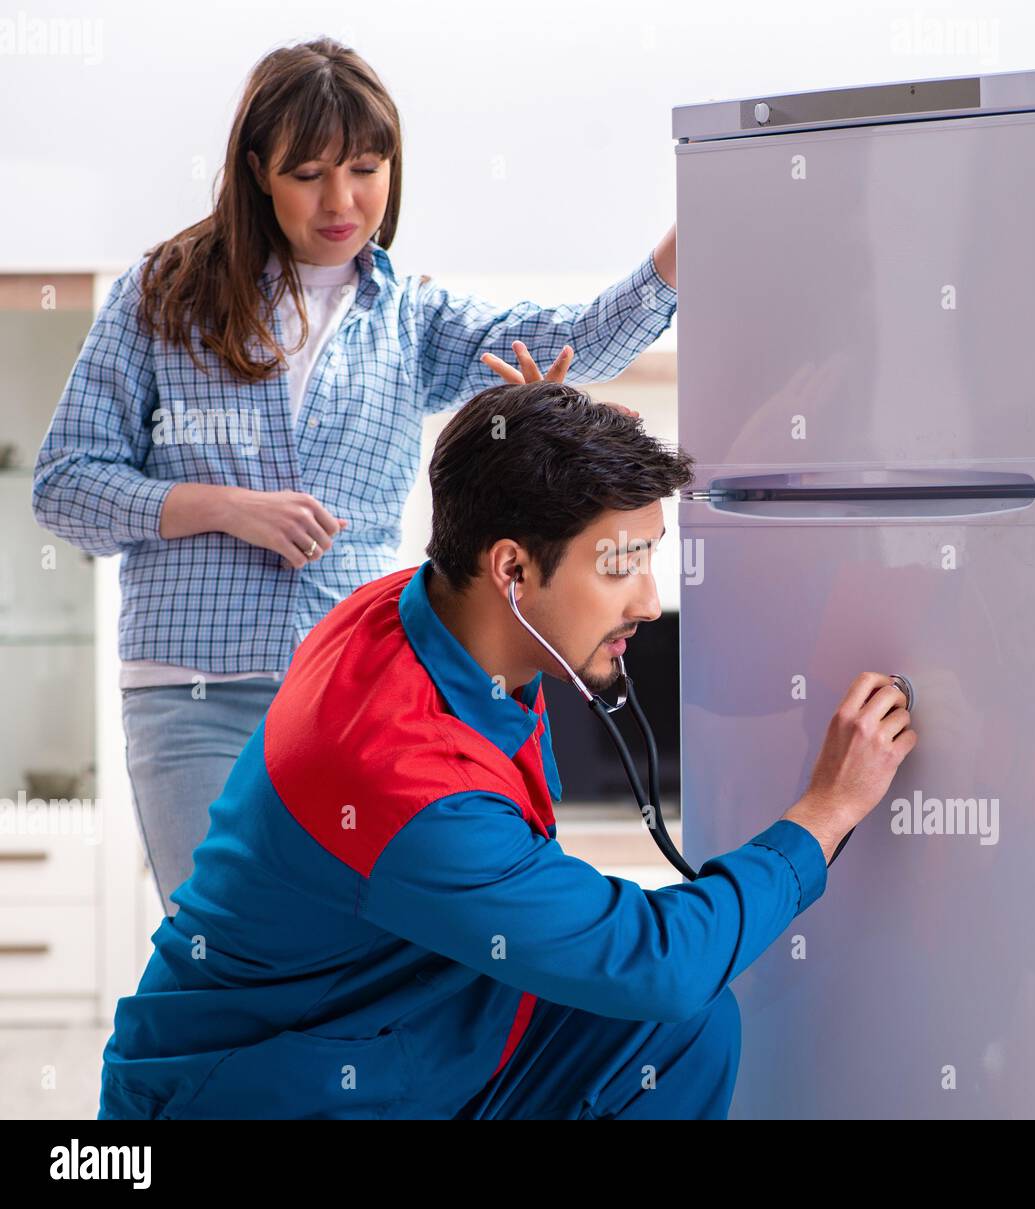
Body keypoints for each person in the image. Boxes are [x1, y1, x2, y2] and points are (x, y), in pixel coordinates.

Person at [97, 381, 918, 1121]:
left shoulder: (424, 605)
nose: (649, 599)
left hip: (411, 1032)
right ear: (513, 570)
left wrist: (531, 438)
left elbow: (493, 510)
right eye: (621, 564)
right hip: (260, 1096)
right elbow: (660, 960)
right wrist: (826, 811)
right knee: (673, 989)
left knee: (683, 1031)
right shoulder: (410, 785)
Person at [30, 36, 677, 918]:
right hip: (195, 695)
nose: (342, 202)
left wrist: (681, 253)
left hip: (354, 691)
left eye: (366, 168)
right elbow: (65, 484)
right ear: (257, 170)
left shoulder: (410, 318)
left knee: (356, 953)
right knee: (226, 950)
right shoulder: (159, 298)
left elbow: (574, 338)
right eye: (308, 174)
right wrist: (223, 508)